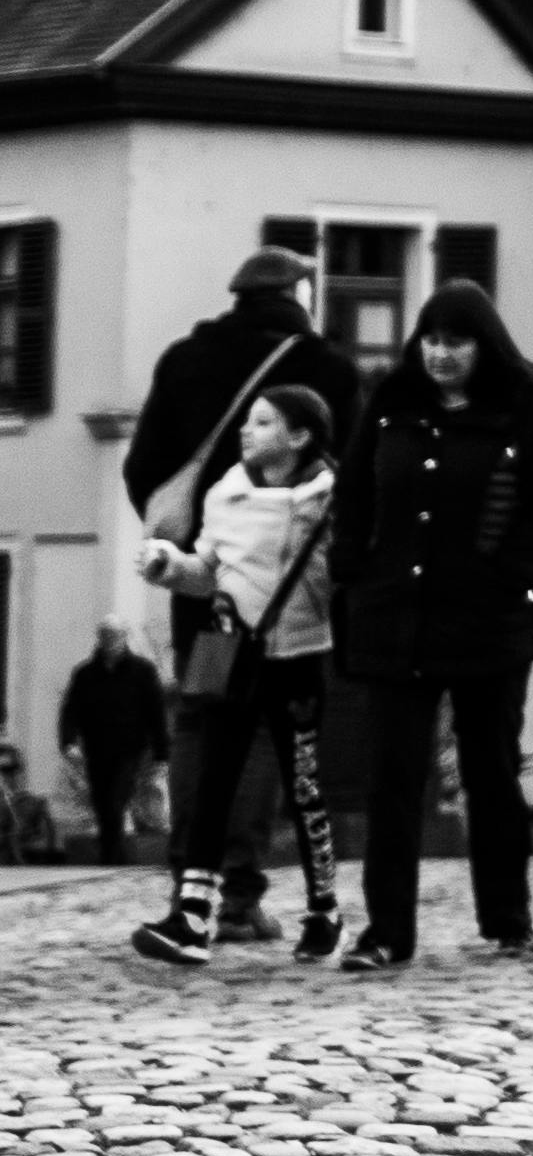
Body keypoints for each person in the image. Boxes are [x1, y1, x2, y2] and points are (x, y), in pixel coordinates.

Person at [328, 278, 533, 973]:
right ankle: (386, 931)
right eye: (433, 340)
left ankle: (507, 919)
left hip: (488, 623)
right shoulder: (389, 403)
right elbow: (354, 494)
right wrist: (353, 572)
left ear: (483, 345)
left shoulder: (521, 403)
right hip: (395, 619)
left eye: (456, 342)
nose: (441, 354)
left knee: (490, 773)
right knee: (394, 777)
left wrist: (511, 573)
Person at [121, 247, 361, 942]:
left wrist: (199, 539)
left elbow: (144, 466)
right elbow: (352, 475)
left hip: (209, 595)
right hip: (290, 605)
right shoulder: (325, 369)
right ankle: (239, 893)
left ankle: (188, 882)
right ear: (297, 292)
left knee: (203, 717)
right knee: (262, 733)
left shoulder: (185, 358)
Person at [133, 380, 347, 968]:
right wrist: (170, 566)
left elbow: (344, 579)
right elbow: (208, 569)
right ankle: (192, 916)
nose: (245, 431)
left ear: (298, 437)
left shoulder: (333, 500)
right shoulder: (225, 495)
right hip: (223, 647)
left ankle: (325, 909)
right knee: (211, 781)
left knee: (304, 789)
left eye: (262, 422)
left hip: (298, 657)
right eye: (247, 420)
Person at [57, 621, 169, 866]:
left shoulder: (142, 671)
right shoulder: (85, 673)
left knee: (117, 799)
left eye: (115, 635)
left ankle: (111, 857)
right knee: (101, 801)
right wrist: (68, 742)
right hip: (96, 747)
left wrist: (162, 752)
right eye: (106, 635)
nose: (110, 640)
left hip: (130, 748)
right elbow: (71, 710)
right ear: (99, 638)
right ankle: (113, 855)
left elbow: (155, 711)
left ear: (124, 637)